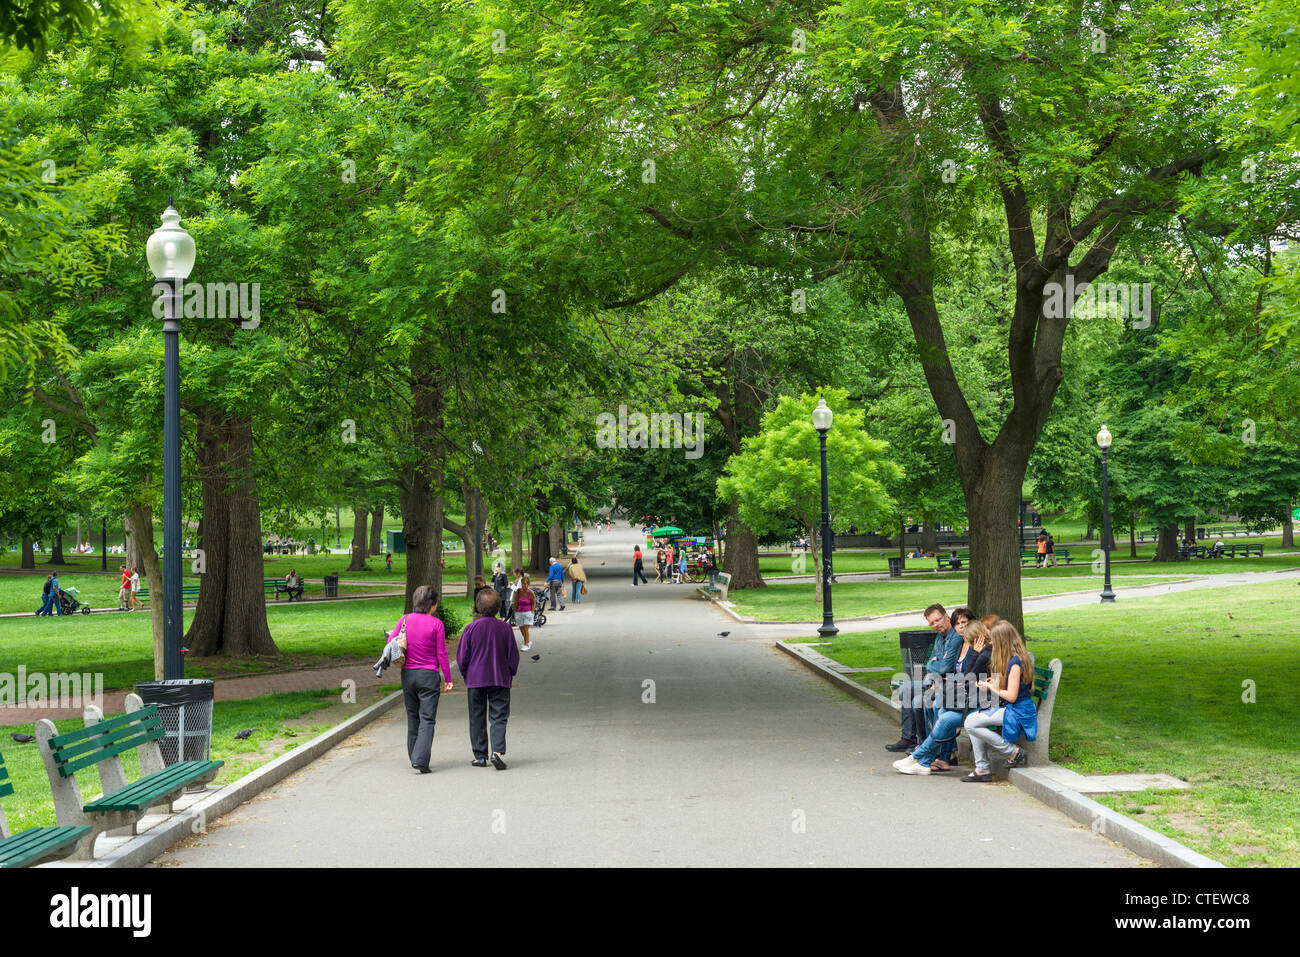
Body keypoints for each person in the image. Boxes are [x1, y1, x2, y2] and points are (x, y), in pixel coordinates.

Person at [896, 614, 992, 775]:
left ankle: (921, 757)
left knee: (941, 710)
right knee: (938, 707)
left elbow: (967, 676)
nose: (961, 627)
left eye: (964, 623)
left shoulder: (984, 653)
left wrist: (974, 655)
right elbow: (938, 667)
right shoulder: (971, 648)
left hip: (980, 702)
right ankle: (927, 758)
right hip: (968, 696)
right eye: (958, 623)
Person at [385, 585, 453, 773]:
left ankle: (414, 756)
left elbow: (391, 641)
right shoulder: (437, 624)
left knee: (413, 717)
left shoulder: (405, 619)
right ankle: (420, 759)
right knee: (427, 719)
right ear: (433, 604)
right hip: (429, 675)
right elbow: (441, 653)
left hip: (408, 675)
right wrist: (448, 678)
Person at [962, 621, 1036, 782]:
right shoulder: (1020, 658)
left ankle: (1012, 751)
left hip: (1018, 711)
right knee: (972, 721)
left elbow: (1012, 697)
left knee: (970, 723)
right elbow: (1029, 688)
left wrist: (991, 687)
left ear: (1001, 640)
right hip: (1016, 708)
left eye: (994, 639)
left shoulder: (1015, 664)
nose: (992, 643)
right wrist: (994, 683)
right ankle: (982, 769)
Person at [886, 603, 962, 753]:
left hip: (948, 683)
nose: (936, 625)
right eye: (932, 623)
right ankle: (908, 739)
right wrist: (935, 664)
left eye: (938, 620)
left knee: (917, 699)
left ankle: (924, 744)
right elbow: (929, 664)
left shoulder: (956, 638)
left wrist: (935, 663)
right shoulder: (939, 638)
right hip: (934, 680)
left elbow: (945, 668)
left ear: (946, 617)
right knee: (906, 689)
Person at [457, 588, 519, 770]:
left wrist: (465, 673)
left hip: (475, 678)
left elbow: (462, 657)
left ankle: (480, 755)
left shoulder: (470, 628)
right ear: (498, 607)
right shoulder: (505, 628)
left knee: (476, 716)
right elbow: (513, 656)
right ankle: (497, 752)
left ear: (478, 606)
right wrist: (510, 672)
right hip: (499, 677)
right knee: (499, 716)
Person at [514, 573, 536, 651]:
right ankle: (528, 641)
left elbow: (534, 602)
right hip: (519, 612)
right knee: (521, 629)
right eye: (523, 584)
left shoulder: (531, 592)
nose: (524, 585)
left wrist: (532, 611)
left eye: (526, 584)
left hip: (528, 613)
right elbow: (516, 602)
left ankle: (525, 644)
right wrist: (515, 611)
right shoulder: (518, 592)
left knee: (526, 629)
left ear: (528, 584)